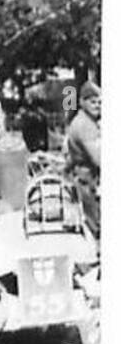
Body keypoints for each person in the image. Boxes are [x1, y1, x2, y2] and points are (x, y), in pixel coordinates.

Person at [65, 81, 101, 237]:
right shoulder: (84, 126)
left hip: (86, 177)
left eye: (100, 102)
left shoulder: (89, 122)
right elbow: (100, 159)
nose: (97, 105)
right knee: (97, 228)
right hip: (88, 181)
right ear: (82, 102)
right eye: (92, 102)